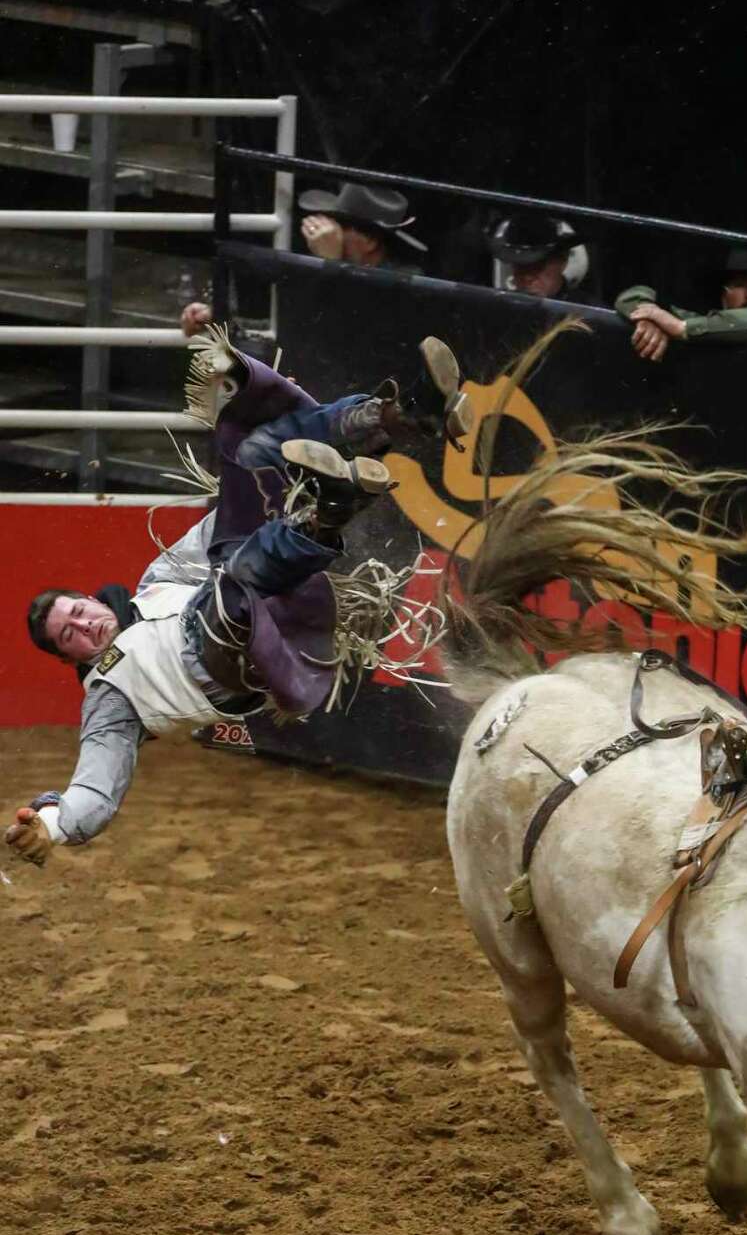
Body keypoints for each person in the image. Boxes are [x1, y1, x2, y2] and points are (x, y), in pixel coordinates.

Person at [3, 330, 469, 868]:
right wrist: (54, 823)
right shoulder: (109, 699)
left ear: (90, 598)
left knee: (252, 452)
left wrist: (266, 431)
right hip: (238, 657)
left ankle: (400, 415)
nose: (84, 626)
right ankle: (324, 515)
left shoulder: (159, 580)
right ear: (70, 659)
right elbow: (96, 789)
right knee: (231, 588)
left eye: (78, 613)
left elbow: (236, 512)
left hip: (270, 601)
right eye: (71, 635)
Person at [614, 245, 747, 362]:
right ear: (724, 298)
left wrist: (681, 328)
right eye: (739, 285)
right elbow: (636, 294)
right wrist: (648, 319)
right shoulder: (704, 322)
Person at [297, 182, 427, 271]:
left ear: (370, 241)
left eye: (341, 224)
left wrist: (331, 263)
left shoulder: (403, 282)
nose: (328, 230)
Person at [484, 211, 598, 303]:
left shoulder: (589, 316)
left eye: (537, 267)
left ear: (563, 261)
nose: (527, 278)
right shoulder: (500, 312)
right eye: (520, 266)